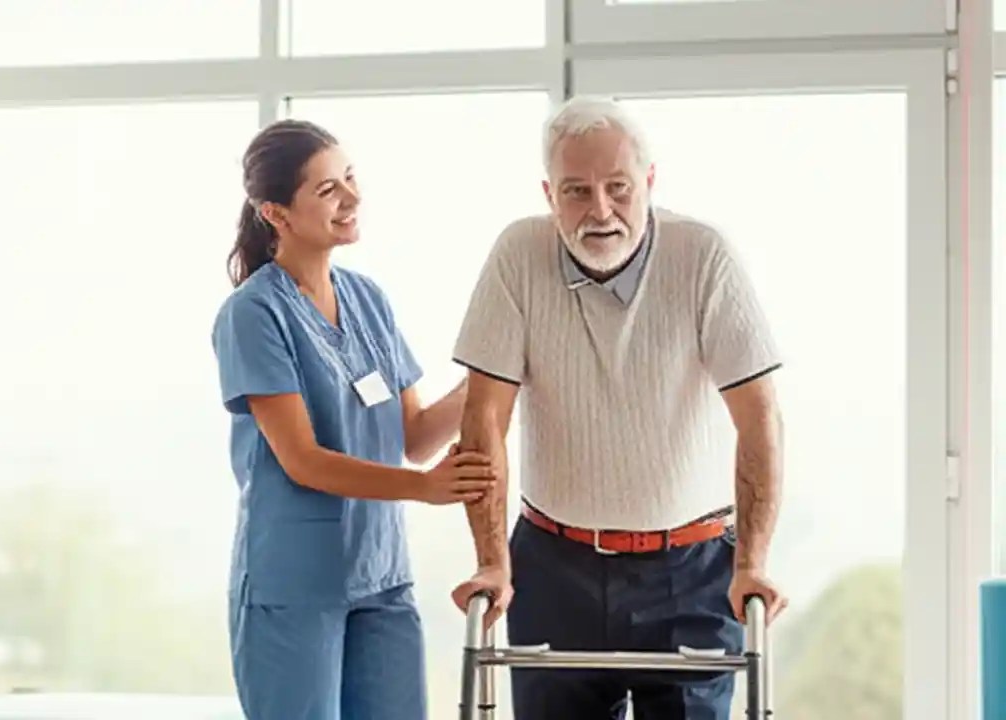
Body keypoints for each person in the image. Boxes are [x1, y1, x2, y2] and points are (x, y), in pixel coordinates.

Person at [449, 96, 790, 719]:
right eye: (577, 191)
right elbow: (485, 420)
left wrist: (753, 563)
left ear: (650, 183)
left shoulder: (703, 255)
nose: (600, 210)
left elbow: (759, 419)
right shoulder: (518, 254)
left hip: (691, 570)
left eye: (618, 188)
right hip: (555, 567)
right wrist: (492, 561)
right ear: (549, 193)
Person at [211, 119, 497, 720]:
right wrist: (423, 490)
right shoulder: (254, 314)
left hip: (381, 576)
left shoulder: (369, 299)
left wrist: (492, 378)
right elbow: (302, 459)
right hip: (294, 586)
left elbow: (413, 437)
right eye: (327, 190)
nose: (352, 197)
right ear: (276, 213)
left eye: (350, 177)